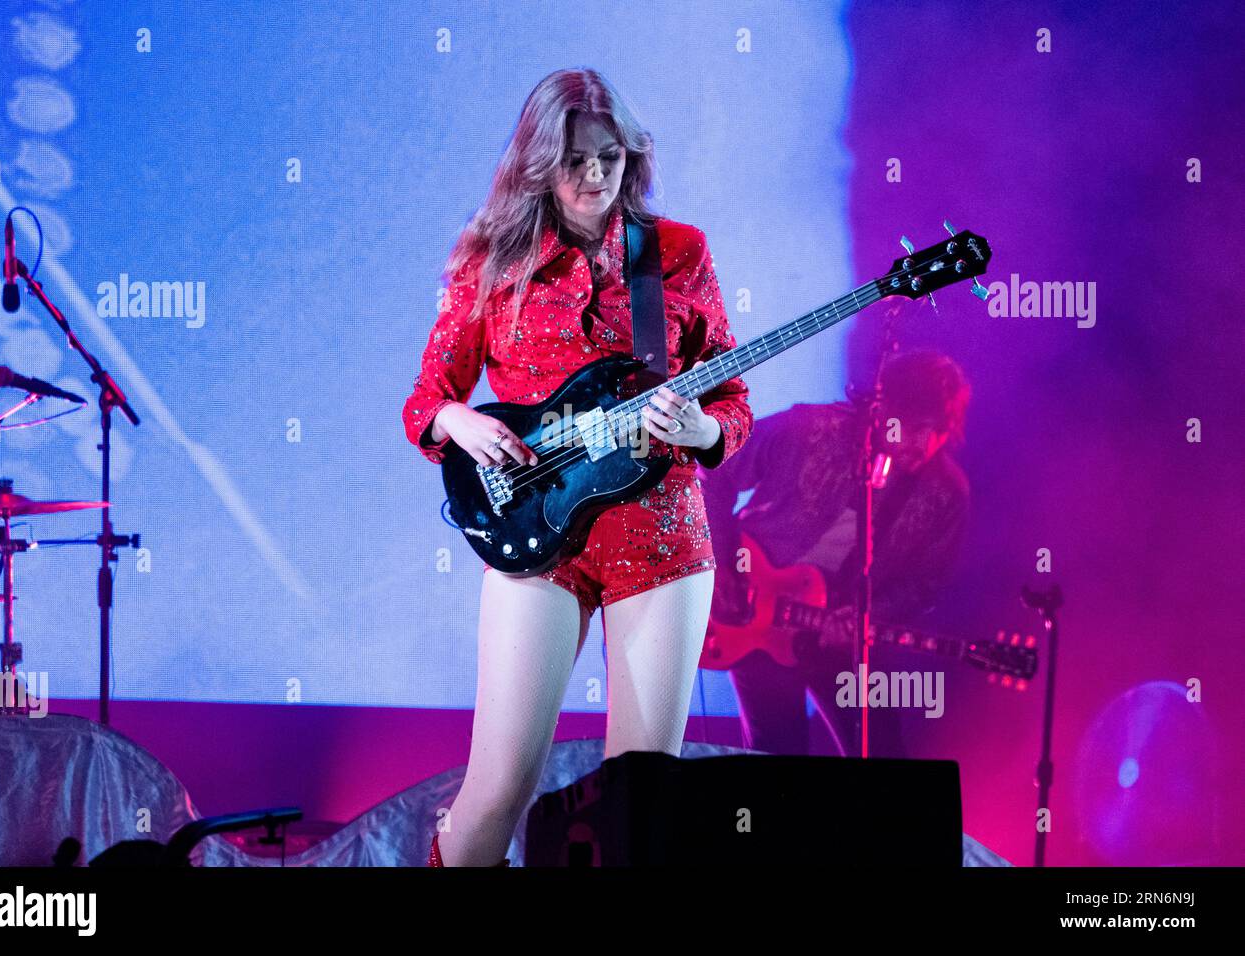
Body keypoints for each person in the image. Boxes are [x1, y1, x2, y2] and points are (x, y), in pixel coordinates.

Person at [401, 68, 752, 866]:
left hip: (659, 536)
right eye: (574, 161)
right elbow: (429, 395)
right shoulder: (493, 259)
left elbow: (732, 399)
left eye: (610, 157)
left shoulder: (678, 254)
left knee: (640, 798)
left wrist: (700, 429)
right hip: (535, 535)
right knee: (494, 793)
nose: (595, 177)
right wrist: (457, 420)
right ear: (537, 166)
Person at [699, 349, 971, 759]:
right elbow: (714, 467)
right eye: (912, 427)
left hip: (842, 634)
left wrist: (869, 612)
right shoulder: (810, 429)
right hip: (754, 612)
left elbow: (925, 586)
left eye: (937, 432)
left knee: (883, 762)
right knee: (778, 761)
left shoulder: (946, 493)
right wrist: (722, 573)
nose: (923, 444)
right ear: (882, 412)